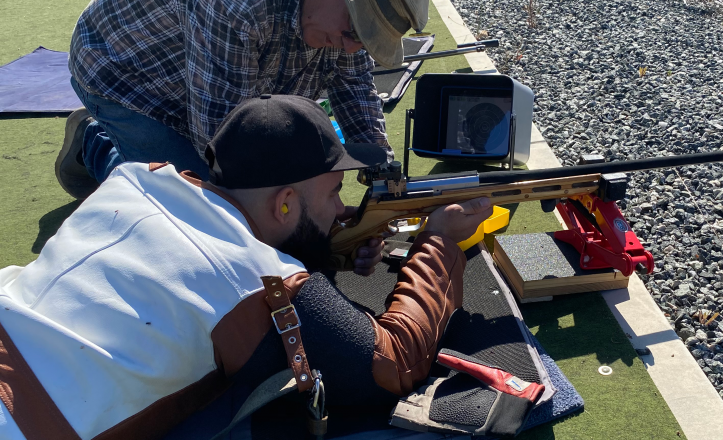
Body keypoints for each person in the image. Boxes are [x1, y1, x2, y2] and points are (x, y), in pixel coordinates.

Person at [0, 94, 493, 439]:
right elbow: (392, 363)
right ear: (283, 204)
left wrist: (333, 249)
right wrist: (438, 241)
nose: (342, 210)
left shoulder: (136, 177)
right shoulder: (258, 281)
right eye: (333, 192)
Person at [55, 0, 430, 199]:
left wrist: (381, 167)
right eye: (354, 31)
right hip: (128, 73)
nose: (352, 48)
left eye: (366, 40)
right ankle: (95, 142)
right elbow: (221, 143)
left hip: (217, 65)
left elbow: (352, 80)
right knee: (197, 204)